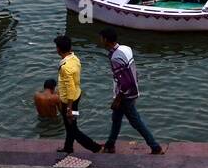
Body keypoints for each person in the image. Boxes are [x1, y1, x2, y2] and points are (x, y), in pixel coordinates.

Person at [97, 27, 163, 155]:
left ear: (106, 40)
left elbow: (126, 82)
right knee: (116, 118)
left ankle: (155, 146)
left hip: (125, 95)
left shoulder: (115, 58)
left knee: (135, 121)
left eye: (101, 38)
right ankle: (110, 144)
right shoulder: (126, 49)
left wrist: (118, 98)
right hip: (132, 91)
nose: (100, 40)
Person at [54, 35, 100, 154]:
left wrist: (69, 108)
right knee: (70, 126)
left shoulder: (65, 68)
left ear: (58, 49)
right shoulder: (74, 59)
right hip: (76, 97)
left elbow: (70, 88)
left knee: (73, 129)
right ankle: (68, 147)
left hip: (69, 102)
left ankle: (95, 148)